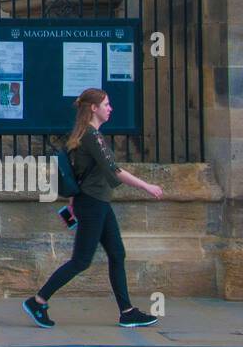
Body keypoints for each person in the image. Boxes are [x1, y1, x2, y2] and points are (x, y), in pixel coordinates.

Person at [23, 88, 164, 329]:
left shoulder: (83, 135)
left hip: (96, 201)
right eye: (107, 104)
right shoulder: (92, 136)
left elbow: (77, 174)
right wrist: (147, 186)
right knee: (81, 260)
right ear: (93, 108)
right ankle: (38, 300)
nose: (111, 108)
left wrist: (72, 200)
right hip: (93, 203)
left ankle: (127, 311)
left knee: (117, 254)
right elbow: (114, 170)